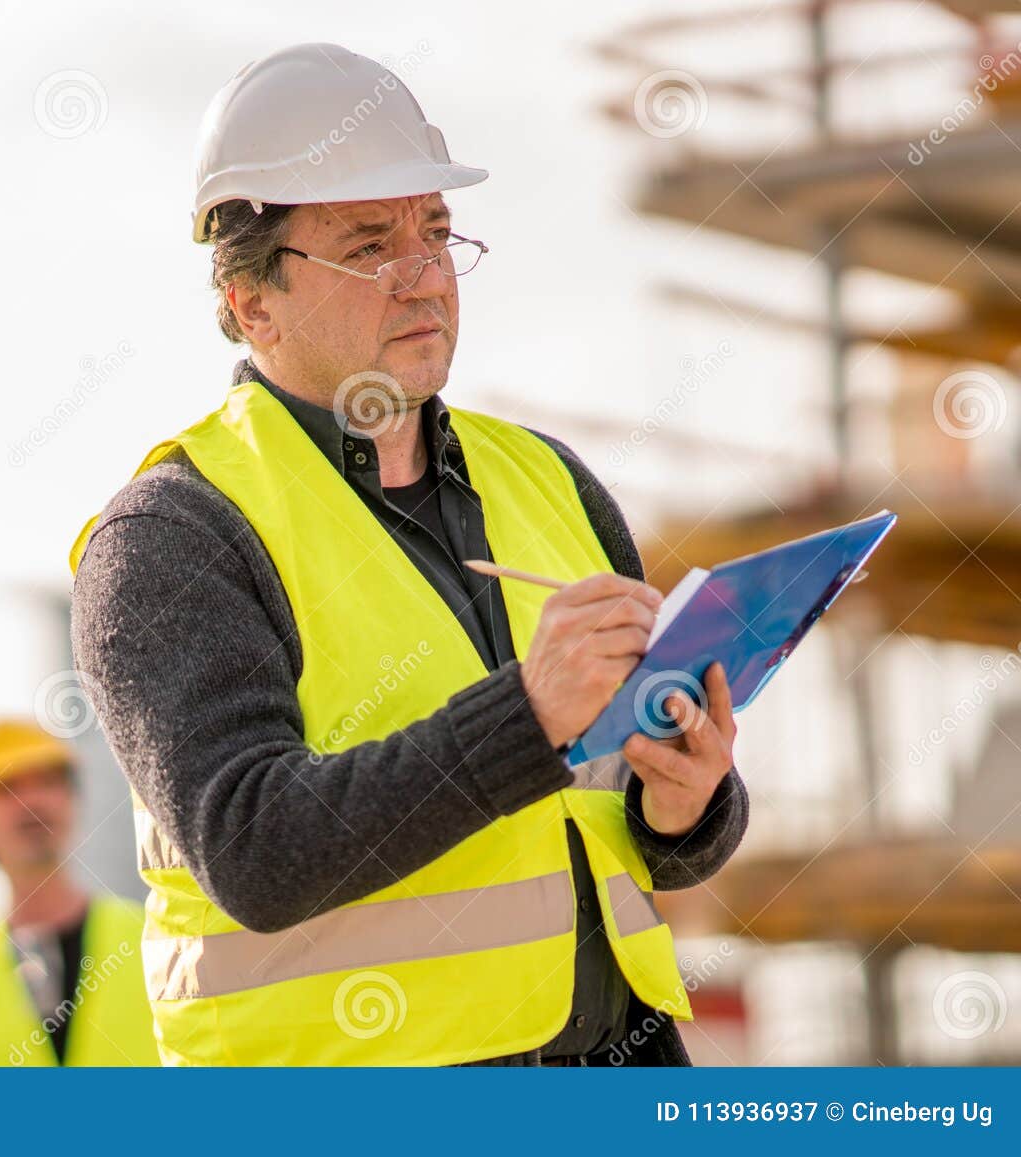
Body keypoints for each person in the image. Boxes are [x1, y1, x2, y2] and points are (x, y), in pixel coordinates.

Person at [68, 43, 749, 1067]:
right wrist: (527, 712)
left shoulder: (548, 479)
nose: (425, 274)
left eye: (435, 231)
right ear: (251, 299)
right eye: (369, 242)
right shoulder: (172, 535)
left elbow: (608, 822)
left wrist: (688, 803)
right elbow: (253, 849)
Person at [0, 718, 157, 1066]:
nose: (32, 800)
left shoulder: (152, 938)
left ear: (74, 800)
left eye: (48, 781)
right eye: (6, 787)